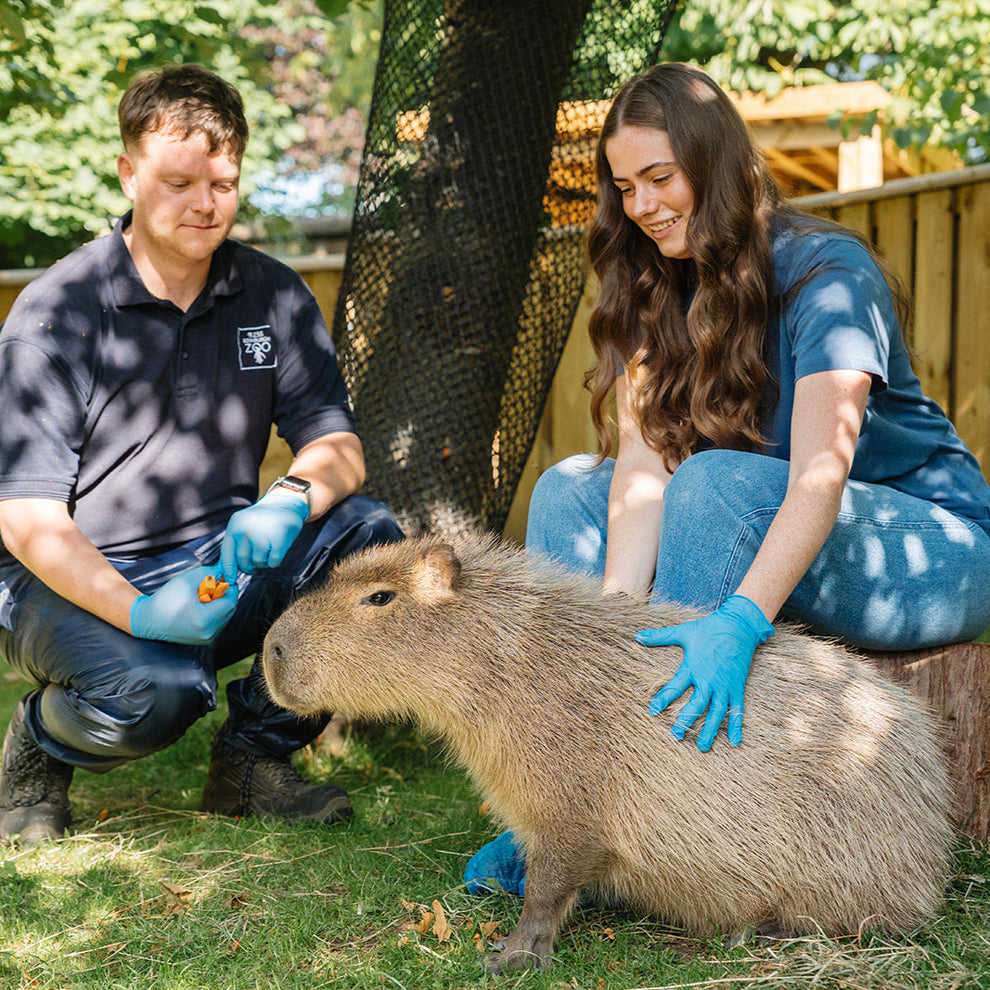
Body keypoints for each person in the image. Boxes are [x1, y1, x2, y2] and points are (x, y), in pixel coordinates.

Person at [463, 61, 990, 895]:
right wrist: (604, 643)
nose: (641, 206)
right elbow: (641, 471)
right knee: (569, 483)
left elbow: (817, 478)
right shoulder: (653, 283)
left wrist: (739, 621)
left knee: (713, 484)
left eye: (660, 178)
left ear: (714, 163)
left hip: (936, 546)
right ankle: (570, 808)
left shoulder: (828, 276)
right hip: (759, 515)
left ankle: (656, 807)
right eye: (625, 186)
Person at [0, 64, 403, 845]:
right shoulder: (57, 314)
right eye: (178, 181)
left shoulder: (274, 296)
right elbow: (25, 519)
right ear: (128, 172)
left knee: (373, 539)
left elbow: (338, 448)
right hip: (69, 576)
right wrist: (140, 612)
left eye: (221, 182)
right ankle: (37, 745)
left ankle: (251, 758)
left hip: (218, 563)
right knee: (155, 693)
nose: (204, 204)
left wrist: (290, 497)